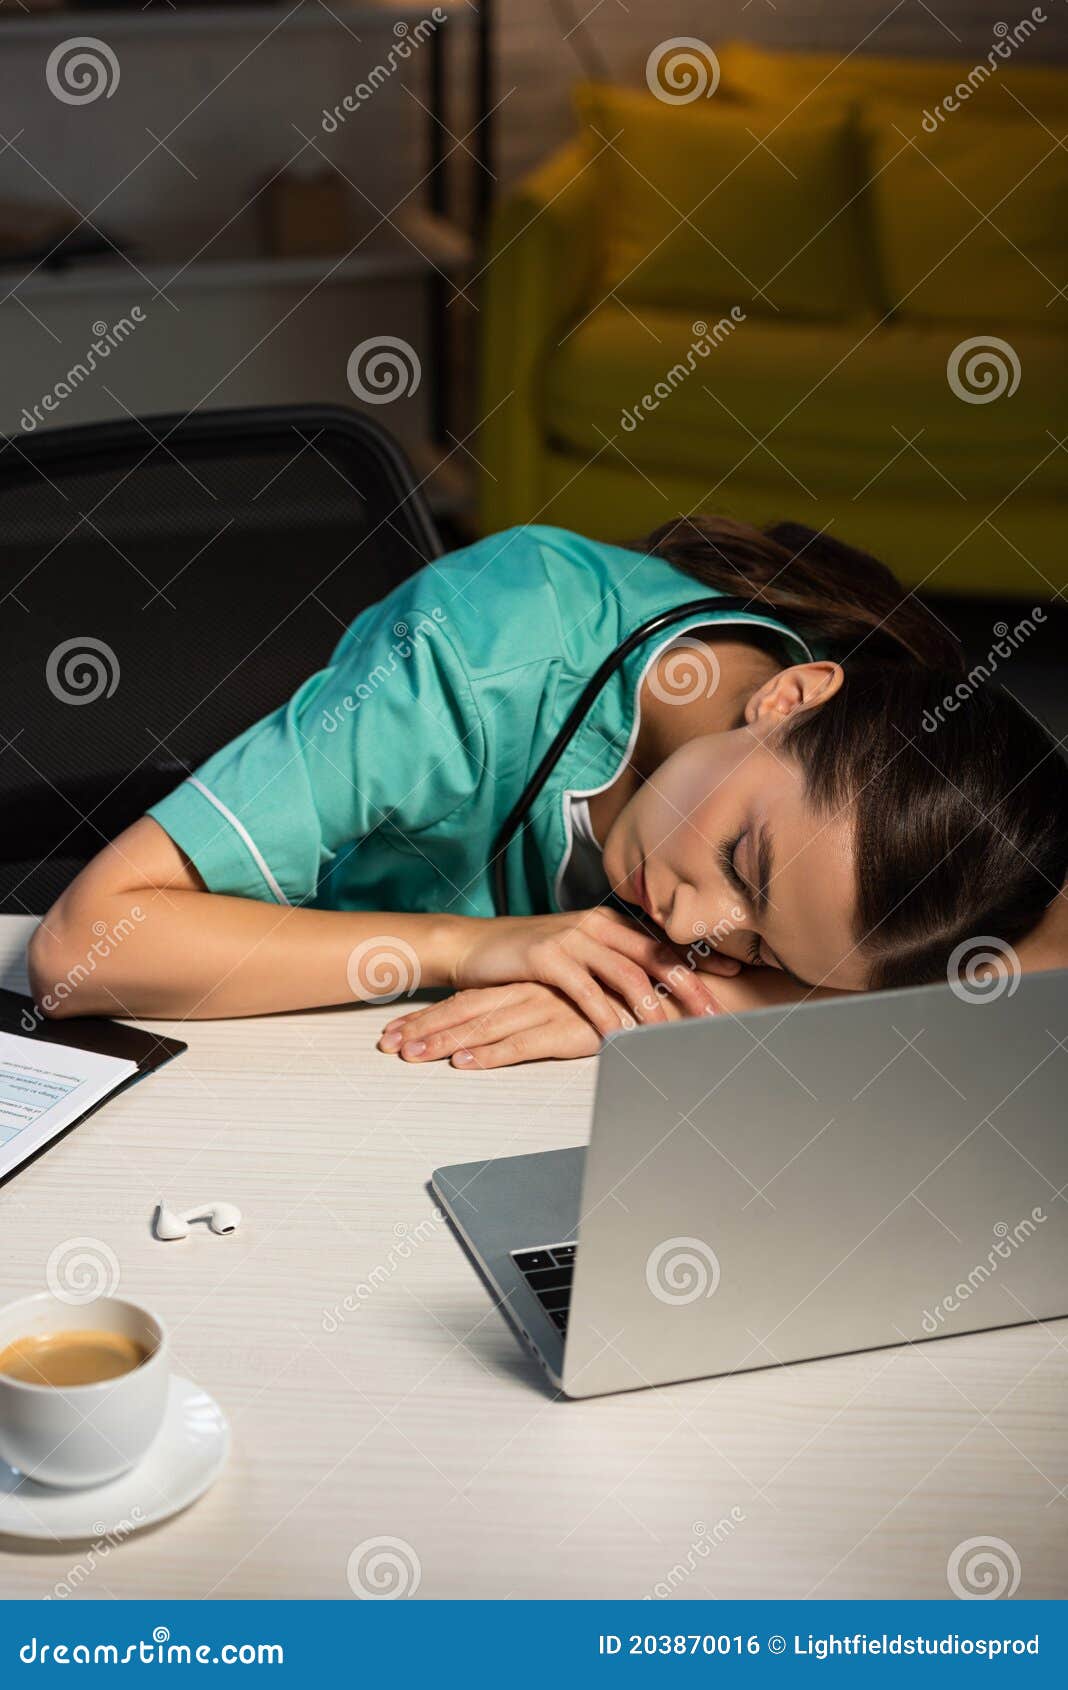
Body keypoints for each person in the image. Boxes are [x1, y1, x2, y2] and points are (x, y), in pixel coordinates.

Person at [28, 520, 1068, 1067]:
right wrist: (466, 948)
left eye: (763, 946)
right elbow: (81, 954)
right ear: (789, 697)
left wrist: (658, 996)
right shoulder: (482, 654)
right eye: (743, 864)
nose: (697, 927)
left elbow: (1037, 959)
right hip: (277, 1037)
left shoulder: (895, 793)